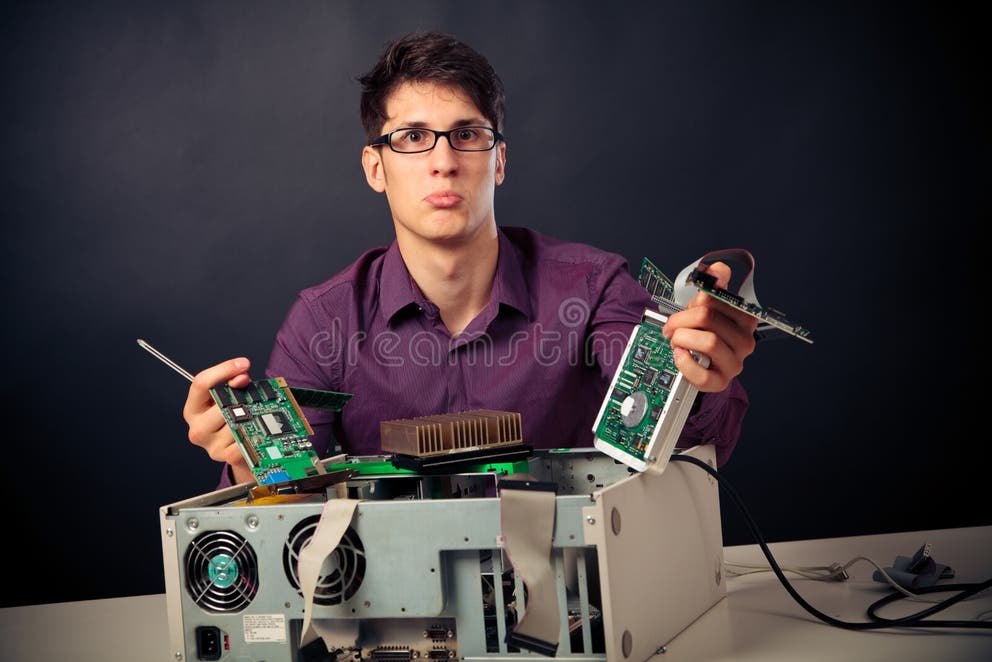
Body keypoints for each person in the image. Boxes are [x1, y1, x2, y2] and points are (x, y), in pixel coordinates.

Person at [183, 31, 758, 488]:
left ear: (498, 161)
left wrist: (696, 380)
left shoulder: (594, 287)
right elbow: (288, 490)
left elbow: (685, 450)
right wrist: (245, 458)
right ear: (375, 168)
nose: (443, 161)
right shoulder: (321, 322)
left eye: (466, 135)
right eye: (411, 137)